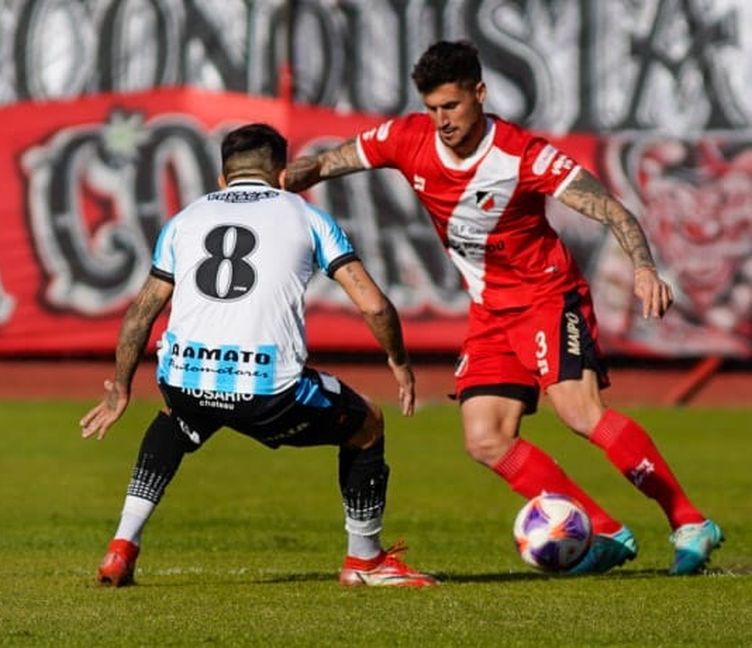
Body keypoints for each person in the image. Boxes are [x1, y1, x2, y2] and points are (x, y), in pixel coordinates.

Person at [285, 40, 722, 575]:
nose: (441, 120)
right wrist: (289, 177)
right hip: (490, 311)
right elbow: (330, 161)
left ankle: (688, 520)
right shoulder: (407, 137)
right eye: (432, 108)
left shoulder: (522, 154)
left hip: (547, 297)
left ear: (480, 94)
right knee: (485, 437)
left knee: (578, 413)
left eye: (451, 106)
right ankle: (604, 530)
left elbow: (609, 208)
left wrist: (645, 269)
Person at [80, 123, 436, 588]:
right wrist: (400, 361)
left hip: (185, 376)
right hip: (267, 389)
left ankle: (121, 546)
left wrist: (121, 389)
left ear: (223, 178)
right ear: (284, 174)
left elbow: (139, 315)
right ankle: (365, 561)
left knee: (176, 415)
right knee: (367, 424)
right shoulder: (306, 216)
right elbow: (373, 304)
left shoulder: (185, 218)